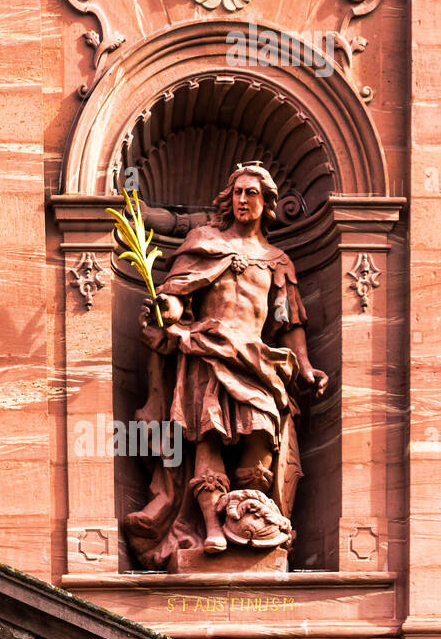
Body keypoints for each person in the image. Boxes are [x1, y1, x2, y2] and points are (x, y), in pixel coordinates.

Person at [123, 162, 327, 569]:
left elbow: (288, 320)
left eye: (251, 193)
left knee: (261, 438)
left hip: (257, 362)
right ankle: (212, 527)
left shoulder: (277, 260)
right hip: (207, 351)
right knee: (208, 436)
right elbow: (182, 291)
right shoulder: (206, 241)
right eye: (237, 192)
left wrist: (304, 366)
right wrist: (170, 305)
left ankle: (253, 527)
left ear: (267, 202)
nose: (242, 200)